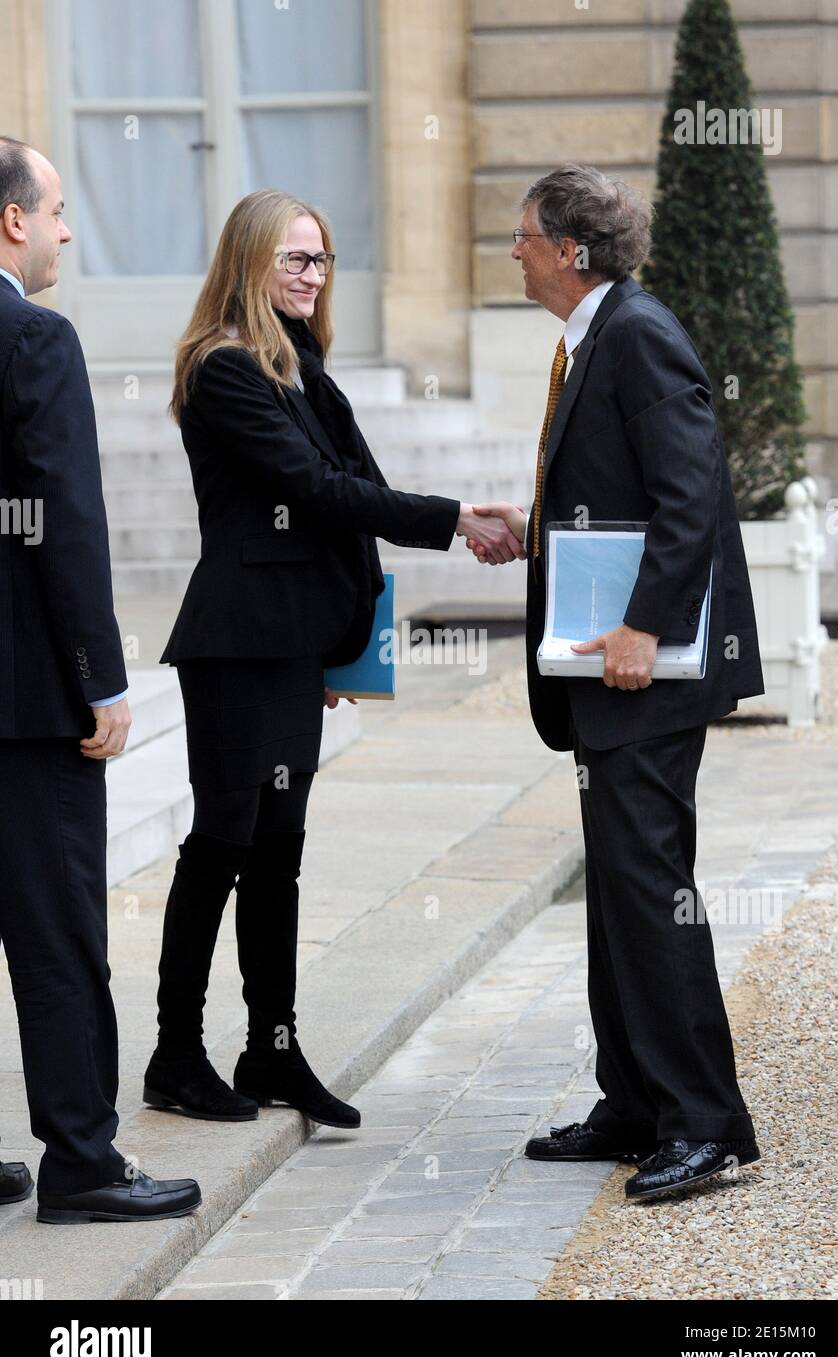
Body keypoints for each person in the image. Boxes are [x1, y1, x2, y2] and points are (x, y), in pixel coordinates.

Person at [144, 188, 523, 1129]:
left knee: (280, 855)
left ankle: (271, 1052)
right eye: (294, 259)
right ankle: (175, 1056)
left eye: (321, 260)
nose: (312, 276)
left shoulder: (305, 365)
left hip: (294, 642)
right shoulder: (226, 367)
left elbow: (357, 487)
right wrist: (455, 522)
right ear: (248, 263)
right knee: (221, 847)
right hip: (237, 646)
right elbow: (314, 491)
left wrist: (347, 643)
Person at [468, 164, 764, 1202]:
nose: (511, 250)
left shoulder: (635, 333)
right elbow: (626, 493)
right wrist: (534, 522)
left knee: (652, 890)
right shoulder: (594, 334)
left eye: (521, 236)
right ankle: (635, 1101)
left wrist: (643, 624)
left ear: (568, 251)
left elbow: (691, 494)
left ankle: (705, 1124)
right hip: (604, 677)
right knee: (619, 893)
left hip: (642, 670)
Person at [0, 136, 200, 1223]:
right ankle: (80, 1161)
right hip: (27, 704)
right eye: (59, 208)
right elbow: (62, 527)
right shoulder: (33, 337)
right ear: (10, 220)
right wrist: (102, 681)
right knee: (59, 933)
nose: (68, 230)